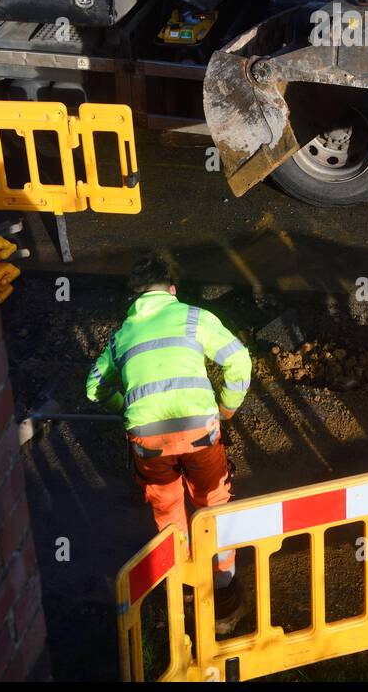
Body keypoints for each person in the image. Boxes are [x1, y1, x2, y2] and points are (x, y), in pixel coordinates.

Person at [86, 251, 250, 634]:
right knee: (213, 503)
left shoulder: (120, 337)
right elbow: (239, 362)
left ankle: (183, 583)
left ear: (136, 297)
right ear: (171, 290)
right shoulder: (194, 317)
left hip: (147, 440)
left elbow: (94, 388)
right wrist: (227, 407)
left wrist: (127, 408)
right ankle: (222, 586)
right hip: (199, 431)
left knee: (166, 507)